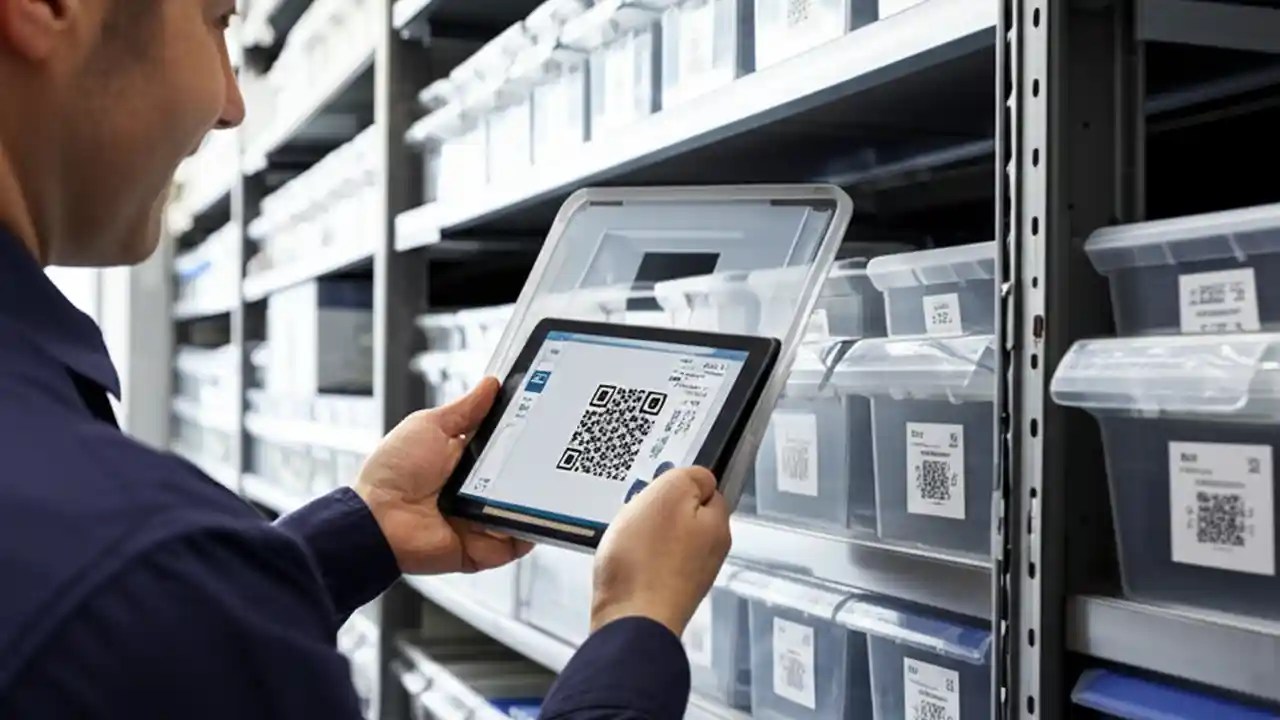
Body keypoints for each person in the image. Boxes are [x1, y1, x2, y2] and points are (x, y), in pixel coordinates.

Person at [0, 1, 733, 718]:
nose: (230, 106)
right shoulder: (130, 571)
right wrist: (635, 624)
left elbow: (153, 648)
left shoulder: (111, 561)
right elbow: (148, 619)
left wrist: (361, 531)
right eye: (215, 22)